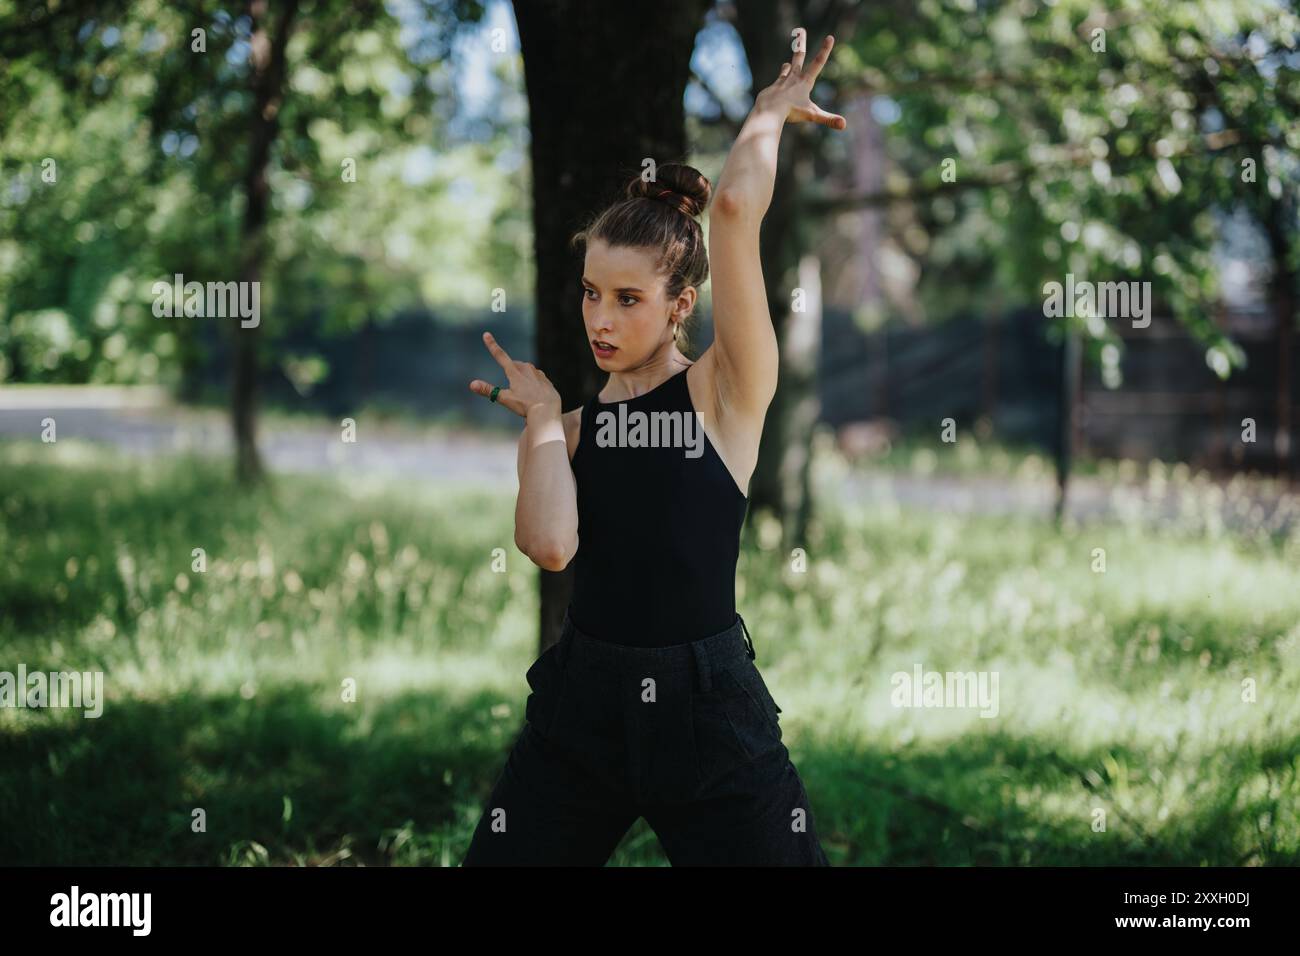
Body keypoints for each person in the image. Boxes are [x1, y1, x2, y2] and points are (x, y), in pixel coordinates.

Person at [462, 28, 846, 866]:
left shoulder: (726, 392)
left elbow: (737, 212)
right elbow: (550, 546)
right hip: (584, 709)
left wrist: (766, 114)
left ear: (680, 306)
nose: (600, 318)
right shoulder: (567, 431)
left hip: (712, 712)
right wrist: (538, 423)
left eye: (628, 298)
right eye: (592, 292)